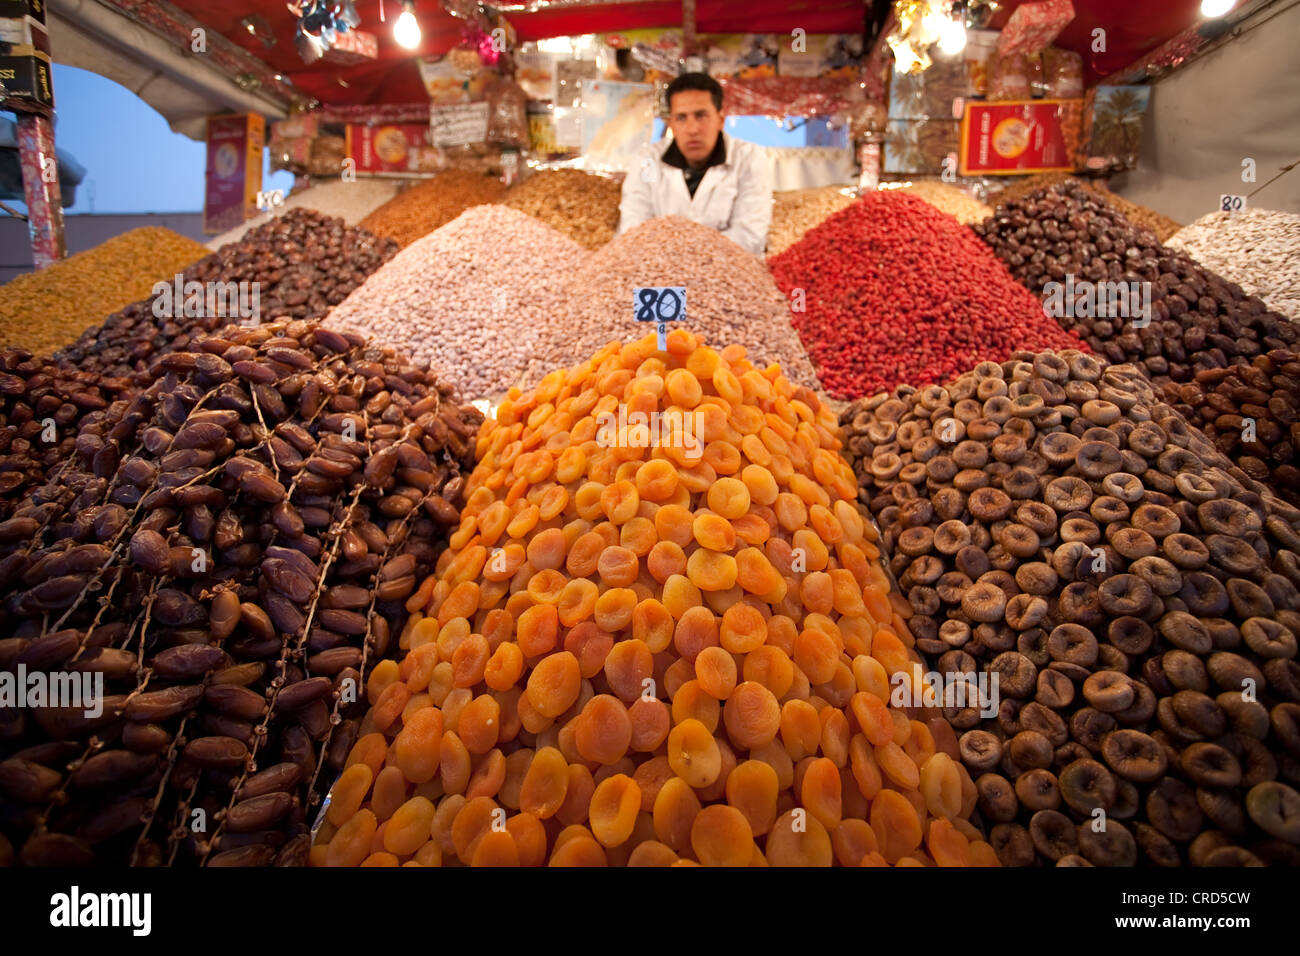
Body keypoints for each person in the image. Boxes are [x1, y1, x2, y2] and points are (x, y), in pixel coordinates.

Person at [617, 72, 772, 255]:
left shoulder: (749, 158)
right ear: (671, 123)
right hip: (660, 273)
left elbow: (749, 234)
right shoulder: (647, 161)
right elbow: (633, 227)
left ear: (720, 120)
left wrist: (688, 257)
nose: (692, 129)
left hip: (729, 271)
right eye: (681, 118)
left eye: (701, 115)